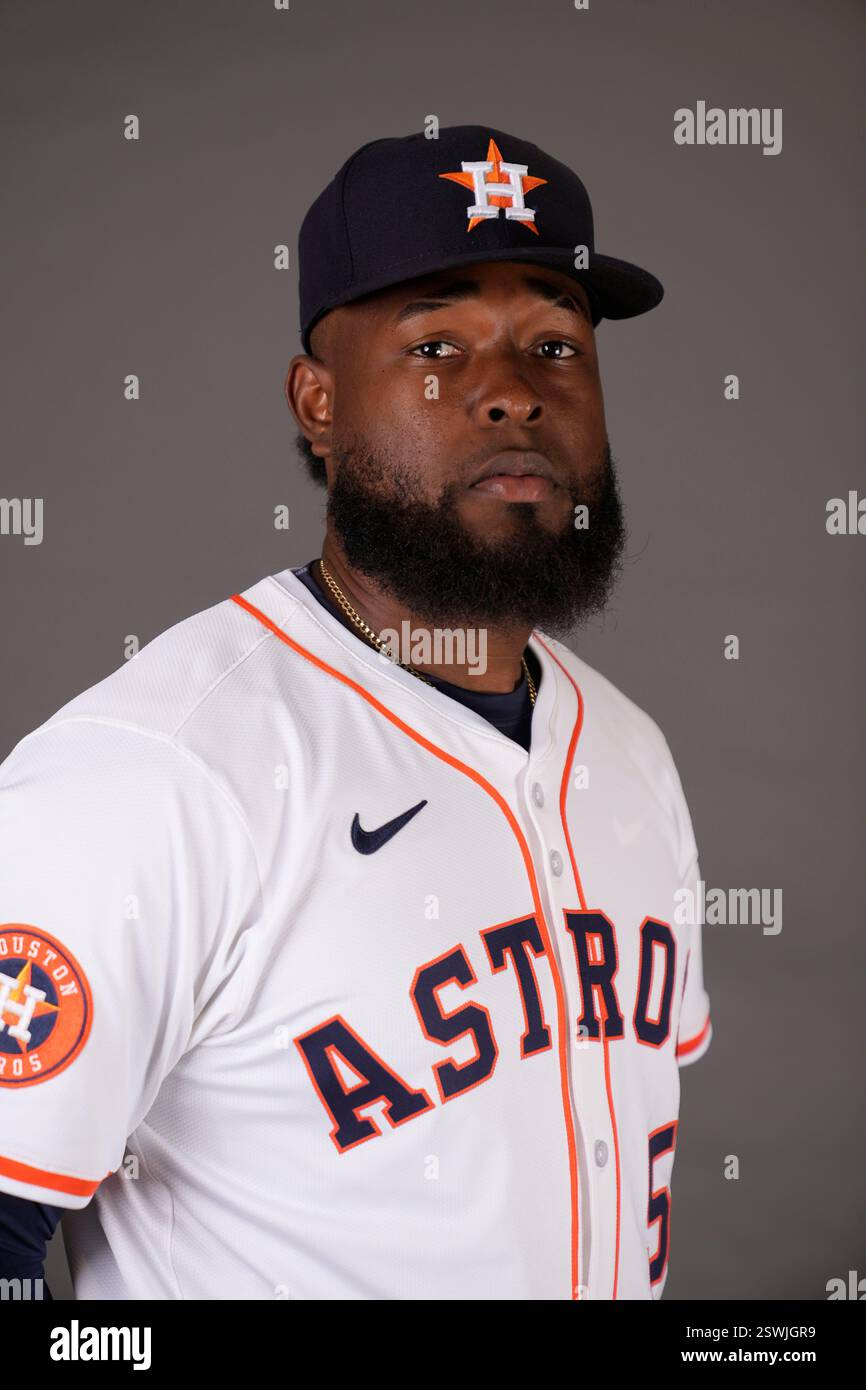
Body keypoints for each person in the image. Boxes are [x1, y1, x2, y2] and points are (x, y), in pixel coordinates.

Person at [0, 124, 711, 1300]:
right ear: (318, 404)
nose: (512, 396)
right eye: (437, 345)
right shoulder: (147, 774)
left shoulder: (629, 753)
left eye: (554, 344)